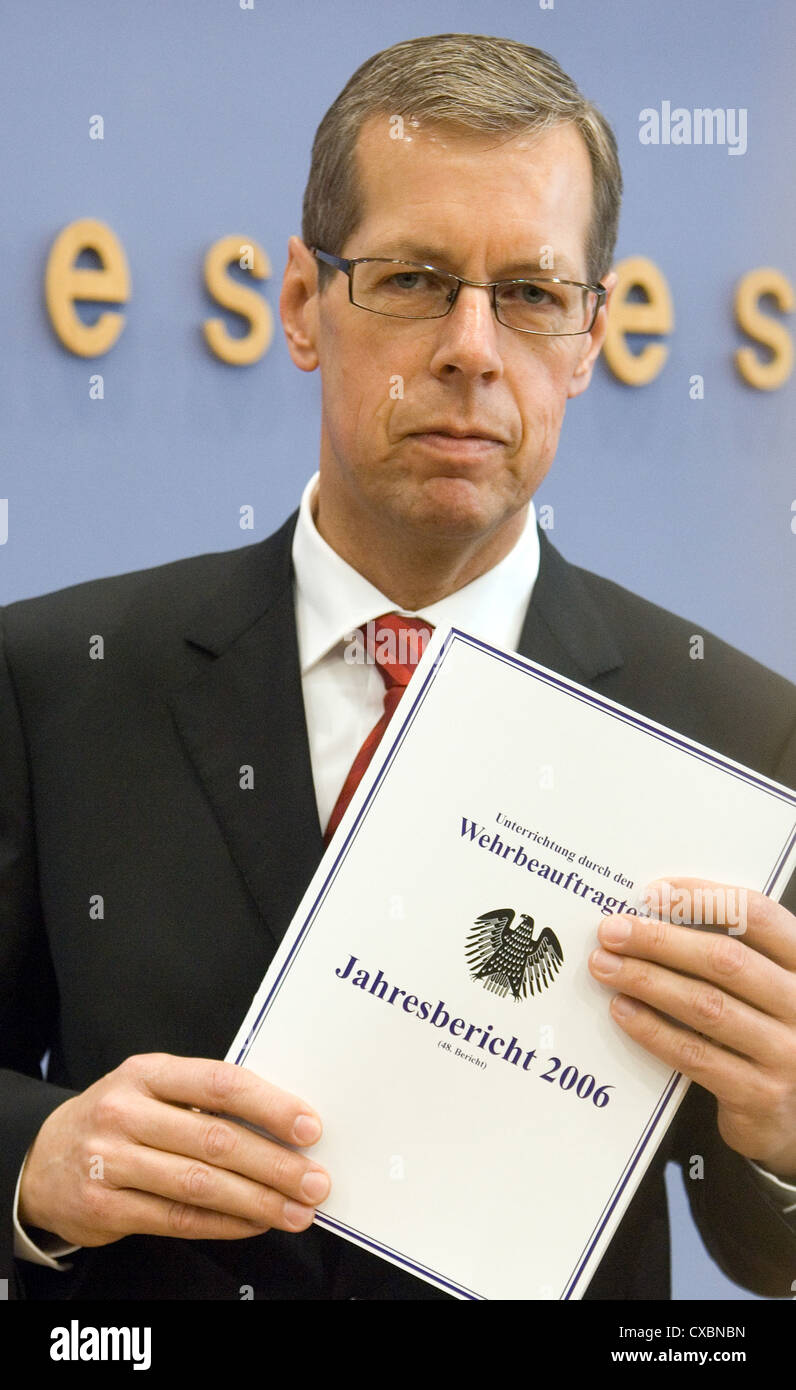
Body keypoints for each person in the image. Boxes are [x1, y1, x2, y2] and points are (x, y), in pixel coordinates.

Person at [2, 33, 795, 1303]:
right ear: (306, 310)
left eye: (531, 294)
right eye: (416, 280)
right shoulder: (53, 679)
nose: (473, 348)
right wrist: (31, 1167)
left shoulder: (738, 733)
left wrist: (784, 1141)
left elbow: (761, 1244)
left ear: (590, 338)